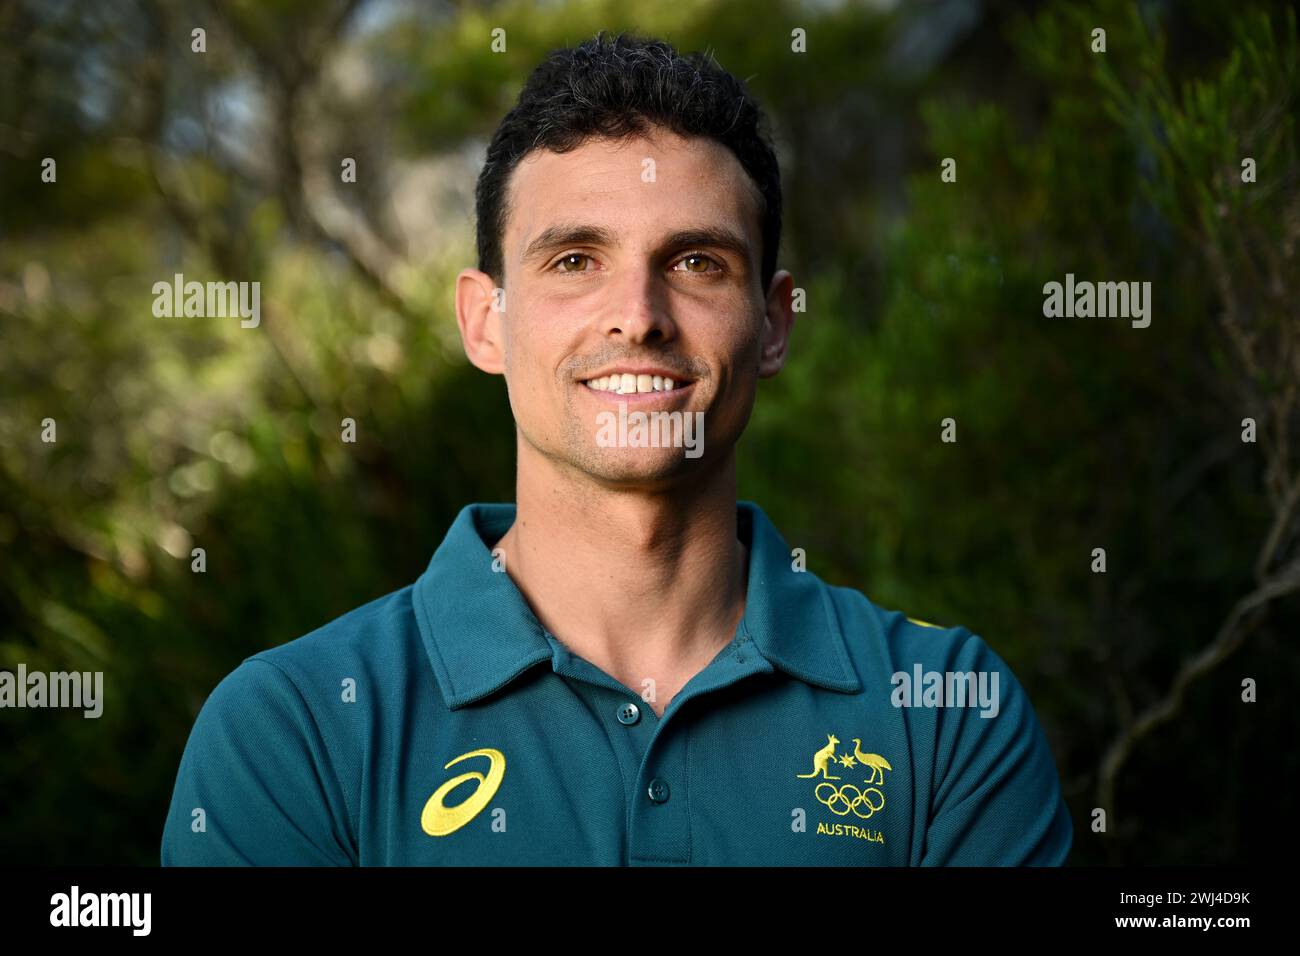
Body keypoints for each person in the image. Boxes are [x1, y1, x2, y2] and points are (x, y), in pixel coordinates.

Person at [162, 30, 1072, 866]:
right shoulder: (295, 729)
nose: (637, 315)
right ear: (485, 323)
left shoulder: (946, 711)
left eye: (696, 262)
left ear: (774, 325)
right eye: (574, 261)